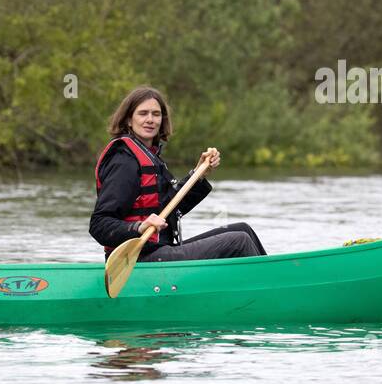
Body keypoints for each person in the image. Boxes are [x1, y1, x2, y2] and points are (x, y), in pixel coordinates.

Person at [90, 85, 265, 261]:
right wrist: (139, 227)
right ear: (129, 120)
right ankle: (270, 285)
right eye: (143, 113)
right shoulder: (123, 160)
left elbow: (172, 207)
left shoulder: (150, 155)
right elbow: (99, 224)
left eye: (156, 114)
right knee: (238, 241)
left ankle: (278, 280)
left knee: (242, 229)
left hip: (158, 249)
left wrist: (199, 173)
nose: (150, 119)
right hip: (137, 258)